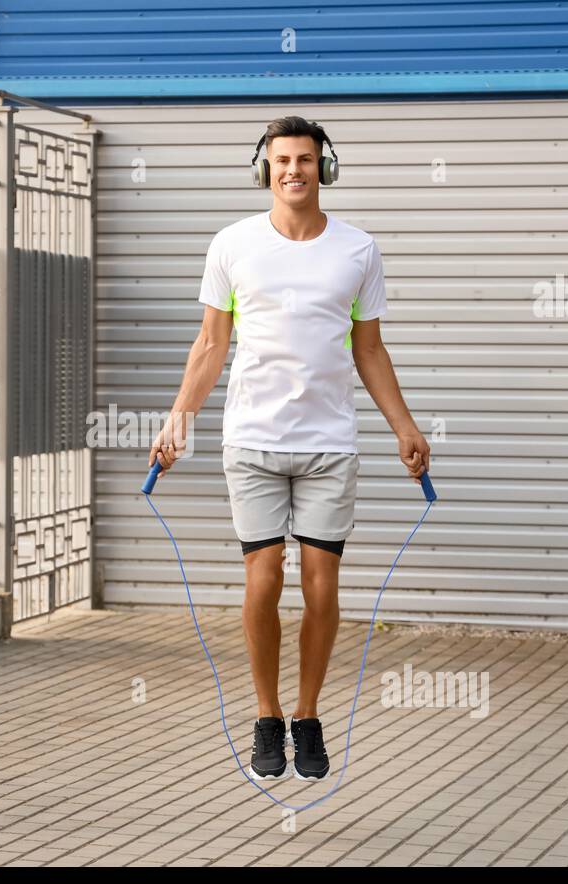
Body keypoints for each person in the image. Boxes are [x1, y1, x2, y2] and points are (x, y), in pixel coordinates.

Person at [147, 115, 431, 781]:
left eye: (305, 159)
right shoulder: (232, 245)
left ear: (323, 168)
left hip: (330, 444)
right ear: (264, 169)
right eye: (282, 161)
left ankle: (307, 717)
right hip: (251, 441)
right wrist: (176, 423)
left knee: (321, 584)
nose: (293, 171)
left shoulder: (358, 250)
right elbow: (210, 345)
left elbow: (370, 350)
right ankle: (266, 716)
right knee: (264, 577)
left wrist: (406, 428)